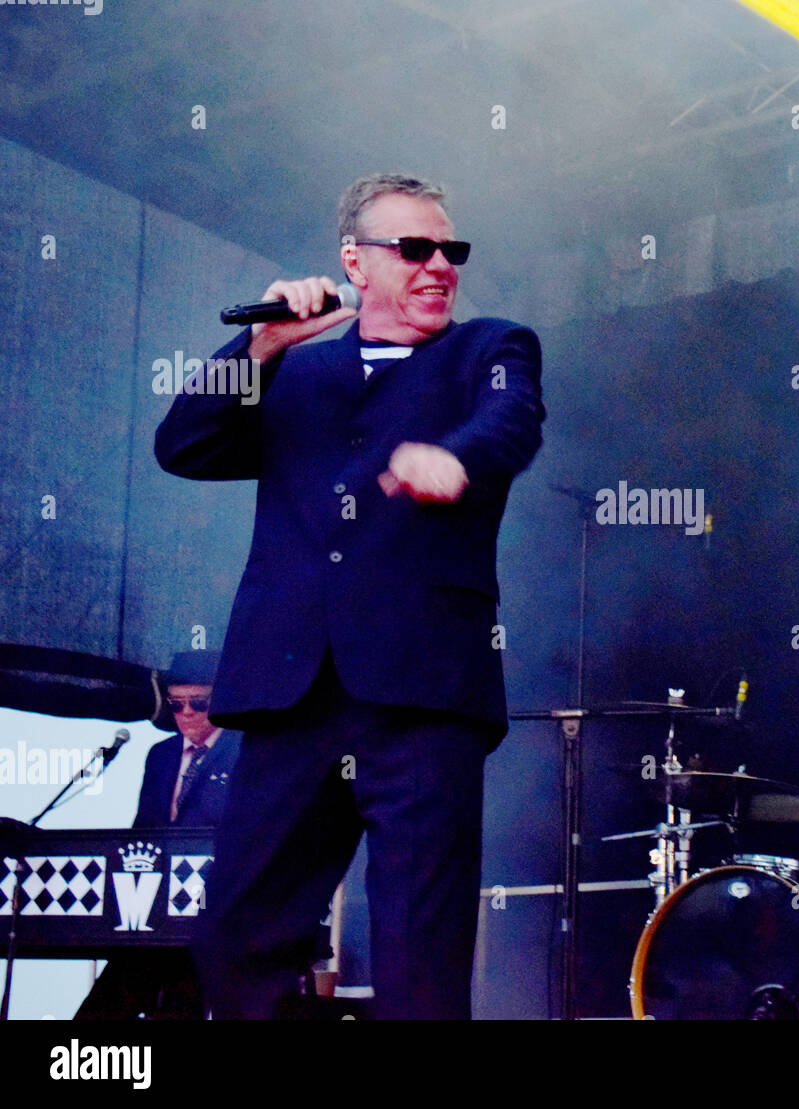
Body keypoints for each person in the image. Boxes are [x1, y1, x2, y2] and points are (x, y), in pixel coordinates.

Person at [154, 173, 545, 1019]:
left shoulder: (490, 347)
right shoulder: (296, 368)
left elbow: (512, 422)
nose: (440, 264)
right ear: (354, 263)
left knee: (418, 951)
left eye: (453, 249)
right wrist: (258, 349)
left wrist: (459, 458)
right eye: (415, 248)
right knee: (236, 937)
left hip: (422, 697)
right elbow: (182, 445)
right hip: (291, 693)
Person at [75, 650, 240, 1019]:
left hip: (212, 910)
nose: (186, 714)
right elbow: (143, 830)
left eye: (198, 703)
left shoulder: (244, 750)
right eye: (176, 704)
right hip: (153, 913)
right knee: (107, 1004)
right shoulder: (160, 755)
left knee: (183, 1000)